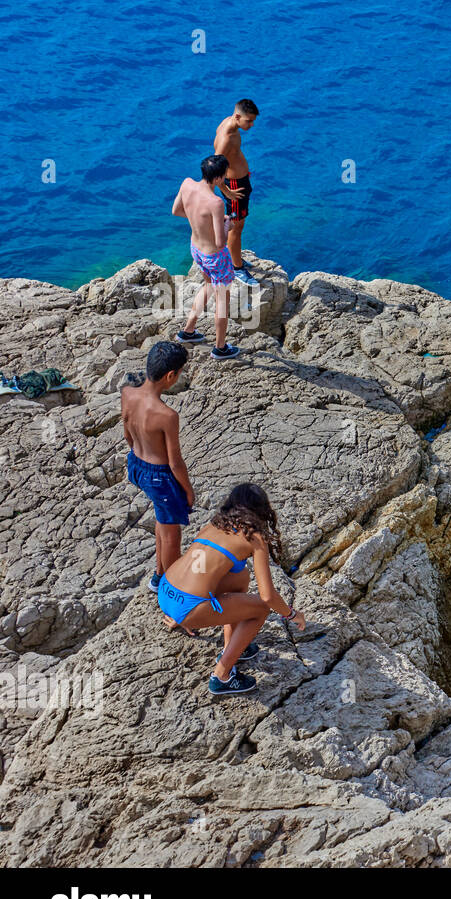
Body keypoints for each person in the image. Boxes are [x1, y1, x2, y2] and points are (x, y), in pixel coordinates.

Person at [155, 483, 306, 695]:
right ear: (261, 510)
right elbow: (268, 595)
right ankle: (222, 676)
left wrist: (176, 610)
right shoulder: (254, 537)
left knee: (240, 576)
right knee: (261, 608)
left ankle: (233, 647)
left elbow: (198, 571)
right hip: (187, 606)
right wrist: (291, 614)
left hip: (166, 592)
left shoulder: (214, 525)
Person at [122, 342, 195, 591]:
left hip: (136, 466)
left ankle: (159, 576)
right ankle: (172, 591)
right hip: (160, 478)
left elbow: (127, 435)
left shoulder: (127, 394)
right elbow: (175, 462)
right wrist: (188, 491)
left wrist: (138, 455)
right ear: (171, 375)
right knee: (172, 536)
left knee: (162, 524)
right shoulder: (167, 415)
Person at [171, 154, 241, 359]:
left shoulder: (187, 184)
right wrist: (228, 225)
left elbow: (176, 211)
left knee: (208, 286)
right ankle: (220, 348)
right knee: (222, 302)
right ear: (218, 178)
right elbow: (220, 243)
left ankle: (188, 331)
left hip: (196, 249)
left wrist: (201, 221)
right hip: (215, 256)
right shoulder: (216, 203)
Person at [213, 99, 260, 286]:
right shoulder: (227, 137)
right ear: (238, 116)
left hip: (239, 182)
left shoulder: (228, 122)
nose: (251, 125)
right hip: (235, 186)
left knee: (236, 224)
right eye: (249, 121)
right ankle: (237, 268)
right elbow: (214, 167)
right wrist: (227, 190)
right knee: (236, 227)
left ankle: (234, 257)